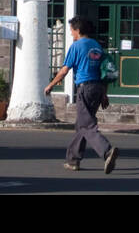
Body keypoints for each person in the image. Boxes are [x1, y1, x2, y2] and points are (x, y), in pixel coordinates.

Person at [44, 17, 118, 173]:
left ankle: (107, 151)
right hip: (97, 88)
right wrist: (104, 94)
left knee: (87, 125)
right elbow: (103, 70)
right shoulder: (96, 46)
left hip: (85, 88)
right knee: (82, 124)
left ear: (77, 30)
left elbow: (65, 70)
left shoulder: (76, 46)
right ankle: (73, 160)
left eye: (71, 30)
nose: (71, 33)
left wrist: (51, 84)